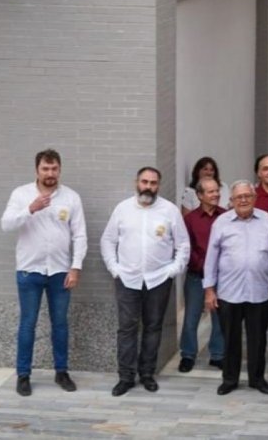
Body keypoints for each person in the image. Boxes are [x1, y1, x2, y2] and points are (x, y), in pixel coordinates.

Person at [1, 149, 87, 396]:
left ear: (59, 169)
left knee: (60, 324)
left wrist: (76, 266)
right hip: (30, 271)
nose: (50, 173)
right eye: (45, 169)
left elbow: (79, 234)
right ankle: (23, 375)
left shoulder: (71, 197)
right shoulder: (21, 194)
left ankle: (61, 372)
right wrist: (30, 209)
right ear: (37, 170)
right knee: (27, 324)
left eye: (54, 169)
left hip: (61, 271)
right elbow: (5, 224)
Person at [101, 166, 189, 397]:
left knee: (153, 327)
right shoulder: (123, 209)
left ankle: (147, 374)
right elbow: (108, 240)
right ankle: (125, 377)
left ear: (158, 185)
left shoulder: (169, 211)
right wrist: (114, 268)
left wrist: (173, 270)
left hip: (158, 280)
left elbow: (183, 245)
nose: (148, 186)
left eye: (153, 183)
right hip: (127, 279)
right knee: (126, 329)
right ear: (136, 182)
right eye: (144, 182)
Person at [204, 181, 268, 396]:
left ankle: (257, 379)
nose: (243, 200)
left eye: (247, 196)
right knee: (230, 338)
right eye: (238, 197)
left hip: (259, 290)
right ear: (231, 201)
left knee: (258, 338)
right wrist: (209, 289)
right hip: (229, 291)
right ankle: (230, 379)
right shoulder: (221, 223)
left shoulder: (267, 220)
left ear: (254, 197)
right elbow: (211, 258)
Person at [179, 177, 226, 374]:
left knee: (220, 317)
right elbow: (186, 247)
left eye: (216, 191)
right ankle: (188, 355)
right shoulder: (189, 219)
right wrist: (205, 267)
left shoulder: (226, 216)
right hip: (196, 276)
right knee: (191, 317)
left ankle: (217, 355)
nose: (215, 194)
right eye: (210, 192)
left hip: (222, 277)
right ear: (199, 195)